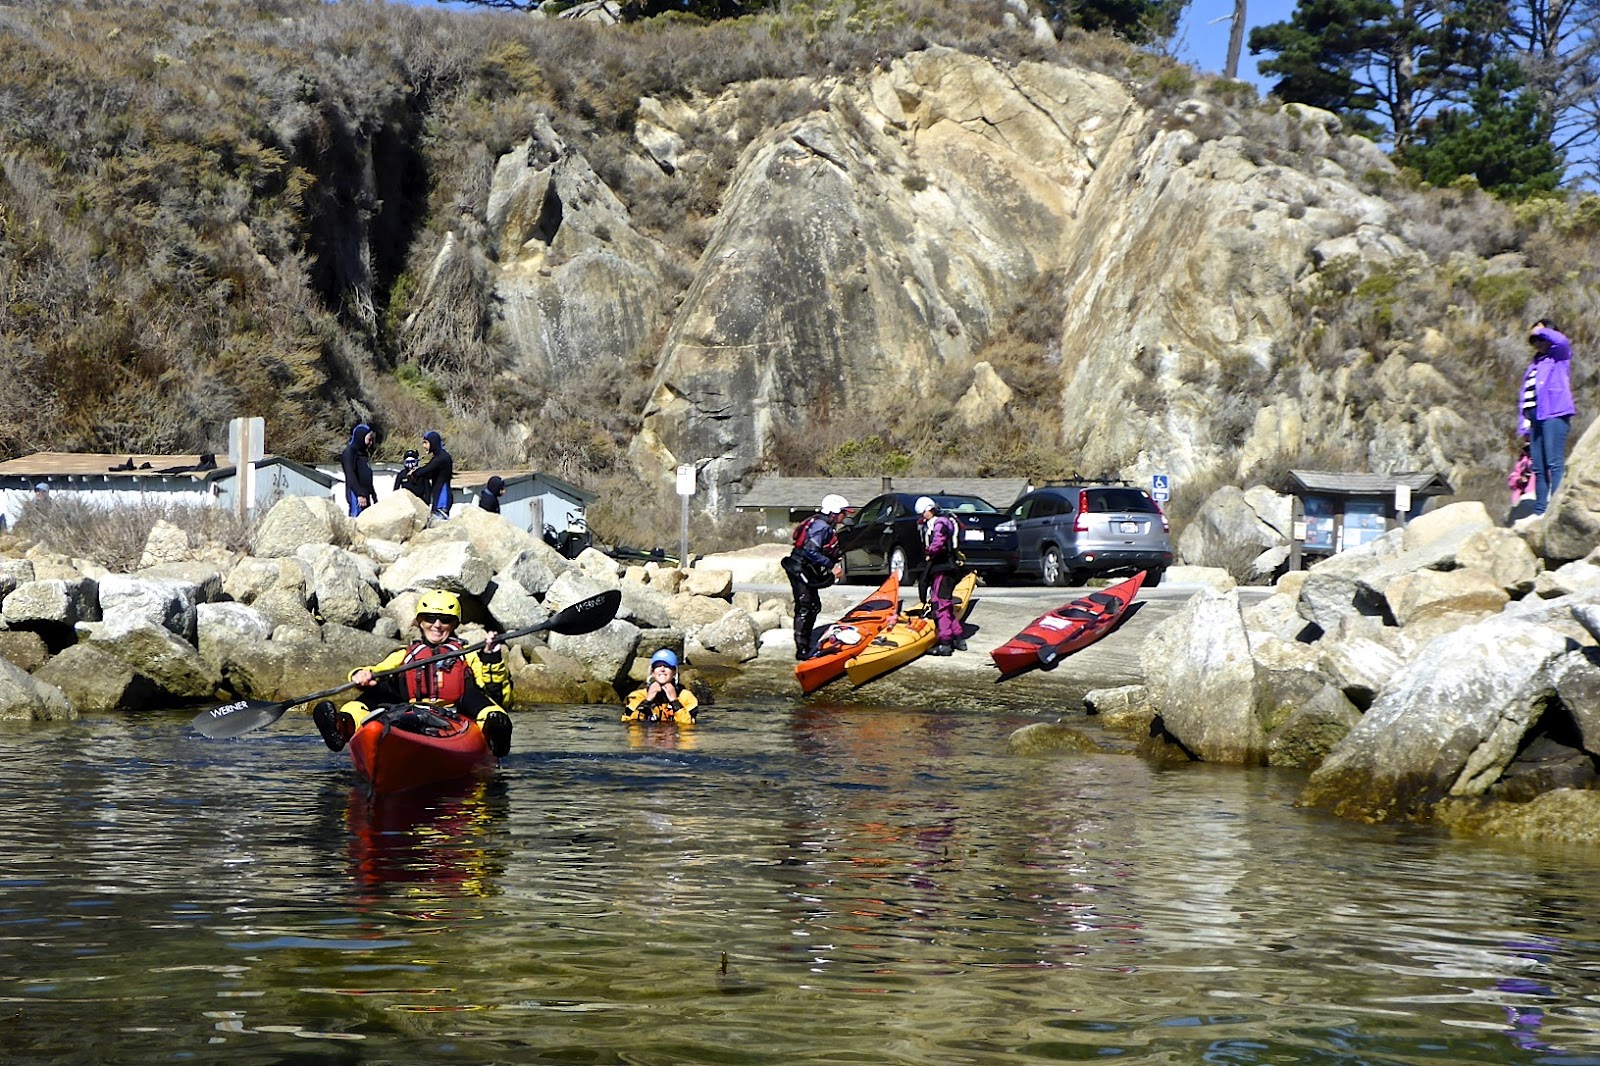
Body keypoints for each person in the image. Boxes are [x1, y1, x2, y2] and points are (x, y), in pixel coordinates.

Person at [312, 589, 513, 757]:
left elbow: (497, 694)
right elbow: (378, 671)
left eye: (445, 619)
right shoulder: (404, 655)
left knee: (477, 697)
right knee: (376, 693)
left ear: (454, 624)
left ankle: (494, 730)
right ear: (420, 620)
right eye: (430, 618)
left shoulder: (467, 656)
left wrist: (491, 658)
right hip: (410, 712)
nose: (437, 625)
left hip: (457, 714)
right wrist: (361, 675)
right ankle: (343, 725)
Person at [1518, 320, 1575, 518]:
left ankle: (1555, 509)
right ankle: (1540, 509)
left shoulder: (1559, 356)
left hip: (1555, 413)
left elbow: (1562, 341)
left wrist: (1542, 329)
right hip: (1535, 418)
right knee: (1539, 467)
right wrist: (1524, 428)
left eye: (1543, 338)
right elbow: (1526, 398)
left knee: (1554, 462)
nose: (1539, 342)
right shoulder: (1535, 364)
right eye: (1535, 339)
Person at [782, 493, 849, 661]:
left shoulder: (822, 524)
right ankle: (802, 649)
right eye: (843, 512)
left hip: (804, 568)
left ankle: (805, 641)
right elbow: (810, 550)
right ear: (834, 512)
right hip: (799, 569)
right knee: (806, 606)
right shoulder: (822, 526)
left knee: (814, 605)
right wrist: (831, 566)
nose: (845, 516)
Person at [915, 496, 967, 655]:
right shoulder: (942, 521)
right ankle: (958, 637)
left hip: (943, 568)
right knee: (943, 603)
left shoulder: (940, 523)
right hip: (944, 568)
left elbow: (938, 543)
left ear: (929, 509)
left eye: (923, 513)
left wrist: (929, 553)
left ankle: (945, 643)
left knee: (941, 605)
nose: (922, 517)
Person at [622, 648, 698, 724]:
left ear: (674, 672)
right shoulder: (637, 696)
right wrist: (647, 701)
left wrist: (675, 702)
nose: (662, 669)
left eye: (667, 666)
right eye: (658, 666)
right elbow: (630, 723)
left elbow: (688, 725)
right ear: (652, 672)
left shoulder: (687, 697)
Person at [414, 430, 455, 521]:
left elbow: (425, 470)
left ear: (433, 442)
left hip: (442, 498)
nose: (424, 446)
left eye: (426, 443)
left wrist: (414, 472)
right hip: (439, 497)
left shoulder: (441, 458)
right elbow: (430, 474)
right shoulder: (438, 456)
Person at [339, 423, 377, 517]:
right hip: (356, 495)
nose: (370, 443)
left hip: (366, 493)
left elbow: (366, 475)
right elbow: (350, 474)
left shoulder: (363, 454)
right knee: (357, 523)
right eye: (369, 439)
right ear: (361, 437)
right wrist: (359, 494)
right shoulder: (350, 452)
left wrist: (373, 494)